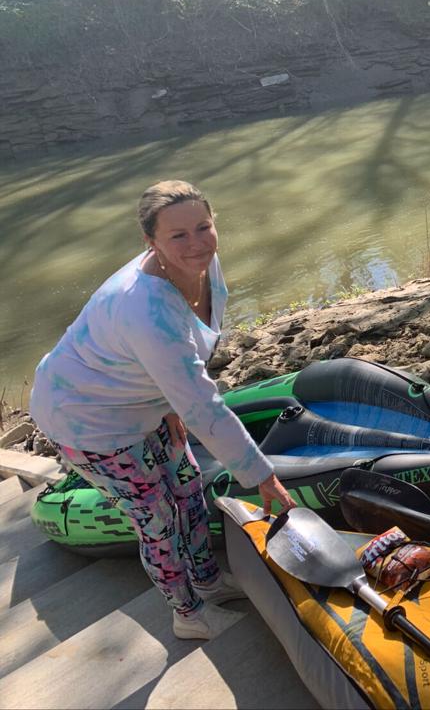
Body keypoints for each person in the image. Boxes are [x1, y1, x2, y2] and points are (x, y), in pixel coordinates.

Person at [30, 180, 297, 640]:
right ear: (150, 242)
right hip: (88, 418)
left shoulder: (202, 264)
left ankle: (208, 581)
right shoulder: (143, 307)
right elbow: (202, 405)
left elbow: (186, 358)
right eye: (178, 235)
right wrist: (262, 475)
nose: (197, 243)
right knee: (157, 520)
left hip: (139, 398)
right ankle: (188, 614)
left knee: (189, 487)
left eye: (203, 227)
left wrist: (169, 400)